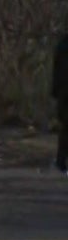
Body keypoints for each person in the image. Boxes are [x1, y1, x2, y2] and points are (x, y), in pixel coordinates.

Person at [52, 32, 68, 174]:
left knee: (65, 128)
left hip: (64, 91)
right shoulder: (62, 45)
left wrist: (55, 91)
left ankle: (61, 160)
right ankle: (61, 160)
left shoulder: (62, 44)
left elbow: (56, 70)